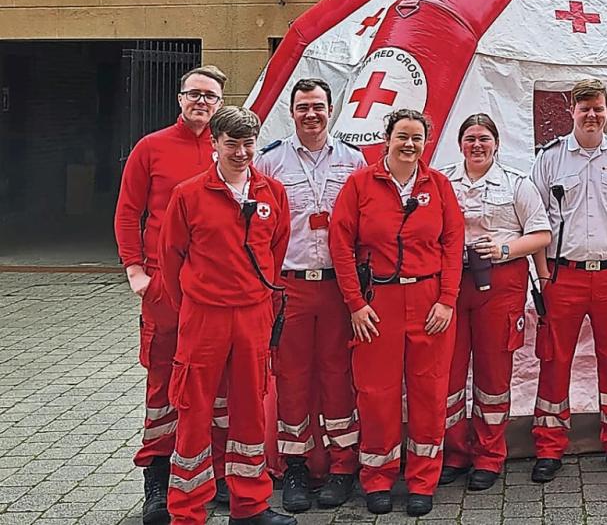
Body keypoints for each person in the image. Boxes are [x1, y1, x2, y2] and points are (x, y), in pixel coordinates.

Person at [158, 106, 295, 525]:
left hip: (253, 315)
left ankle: (250, 505)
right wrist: (194, 307)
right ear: (214, 144)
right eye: (231, 143)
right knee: (194, 410)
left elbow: (277, 252)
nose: (240, 152)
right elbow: (170, 258)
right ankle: (187, 510)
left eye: (247, 143)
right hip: (205, 317)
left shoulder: (272, 193)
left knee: (250, 408)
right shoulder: (189, 194)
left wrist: (258, 302)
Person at [329, 108, 465, 517]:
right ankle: (377, 477)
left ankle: (423, 478)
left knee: (429, 391)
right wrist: (355, 303)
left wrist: (447, 299)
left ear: (426, 143)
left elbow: (453, 245)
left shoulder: (438, 186)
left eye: (416, 138)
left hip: (429, 303)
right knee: (376, 394)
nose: (409, 144)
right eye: (402, 136)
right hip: (377, 304)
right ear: (386, 139)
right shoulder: (359, 185)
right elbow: (341, 245)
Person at [114, 64, 230, 524]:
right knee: (163, 385)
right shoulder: (152, 148)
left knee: (213, 381)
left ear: (220, 104)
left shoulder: (226, 151)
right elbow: (128, 211)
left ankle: (211, 476)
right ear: (180, 98)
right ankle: (158, 484)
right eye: (194, 93)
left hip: (213, 288)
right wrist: (135, 271)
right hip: (164, 286)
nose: (202, 102)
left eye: (211, 96)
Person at [255, 78, 367, 512]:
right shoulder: (271, 163)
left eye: (318, 106)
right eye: (303, 107)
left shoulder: (353, 161)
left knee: (339, 377)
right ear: (292, 110)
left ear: (331, 108)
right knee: (292, 379)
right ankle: (296, 466)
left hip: (339, 287)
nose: (311, 114)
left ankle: (342, 467)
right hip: (292, 286)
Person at [527, 80, 607, 483]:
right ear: (571, 112)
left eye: (597, 109)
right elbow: (534, 220)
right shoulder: (551, 159)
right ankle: (548, 446)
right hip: (563, 276)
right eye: (584, 109)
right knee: (554, 361)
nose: (591, 115)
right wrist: (542, 276)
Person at [439, 114, 551, 491]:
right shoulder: (441, 182)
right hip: (452, 284)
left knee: (493, 375)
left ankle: (489, 455)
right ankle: (454, 453)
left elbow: (541, 234)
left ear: (496, 143)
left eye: (484, 138)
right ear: (459, 145)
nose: (477, 145)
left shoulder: (517, 184)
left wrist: (505, 248)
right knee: (450, 374)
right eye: (470, 138)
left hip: (501, 283)